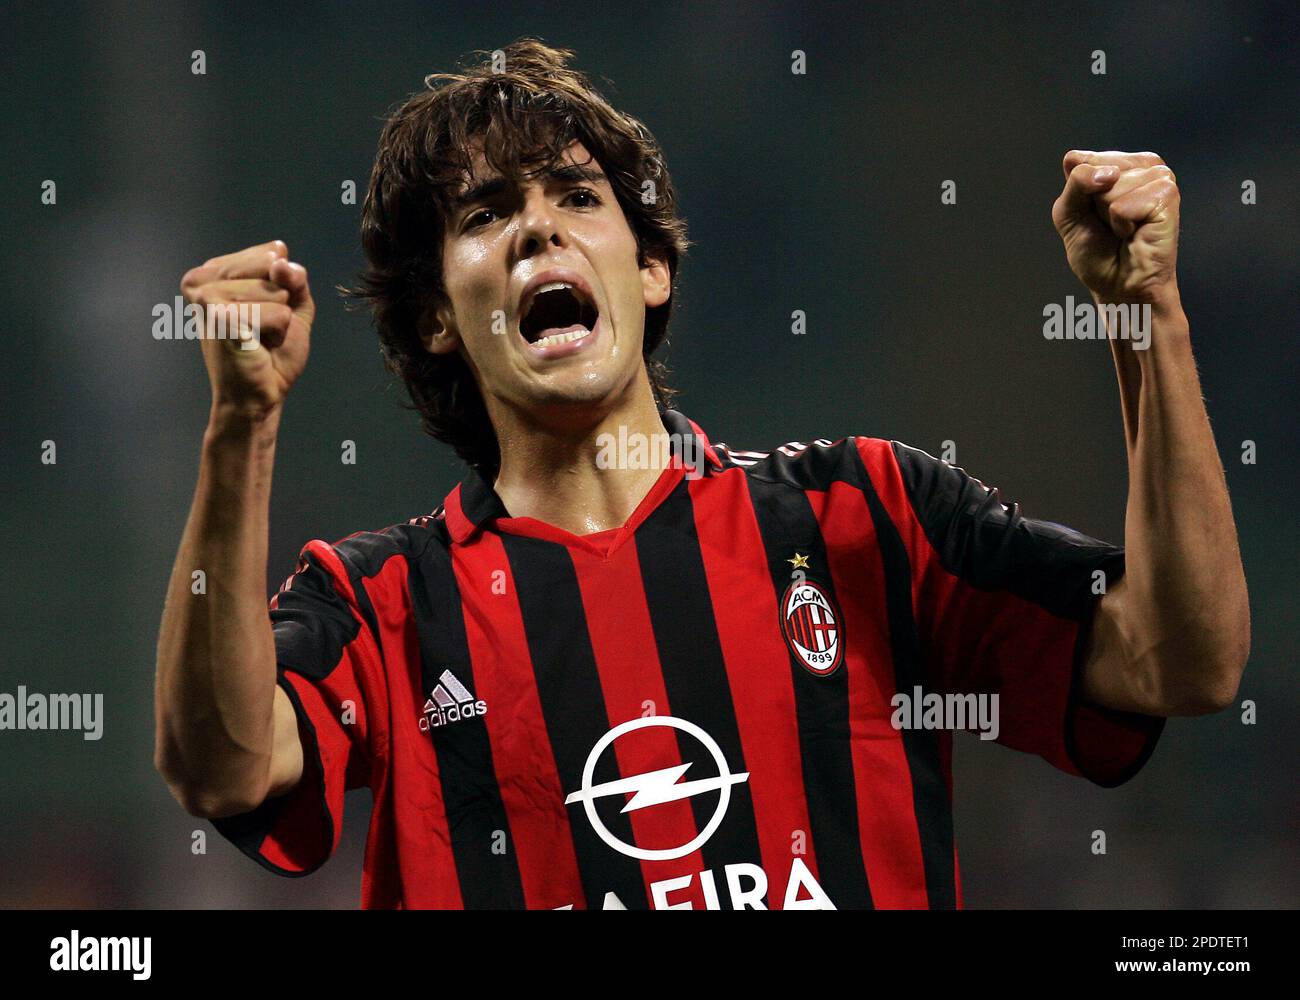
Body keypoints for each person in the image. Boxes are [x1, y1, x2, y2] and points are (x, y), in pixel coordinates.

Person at [154, 39, 1249, 909]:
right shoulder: (381, 607)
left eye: (578, 198)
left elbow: (1180, 661)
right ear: (439, 315)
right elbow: (224, 766)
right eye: (487, 215)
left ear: (652, 264)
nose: (539, 227)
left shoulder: (861, 514)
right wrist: (240, 425)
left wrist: (1143, 313)